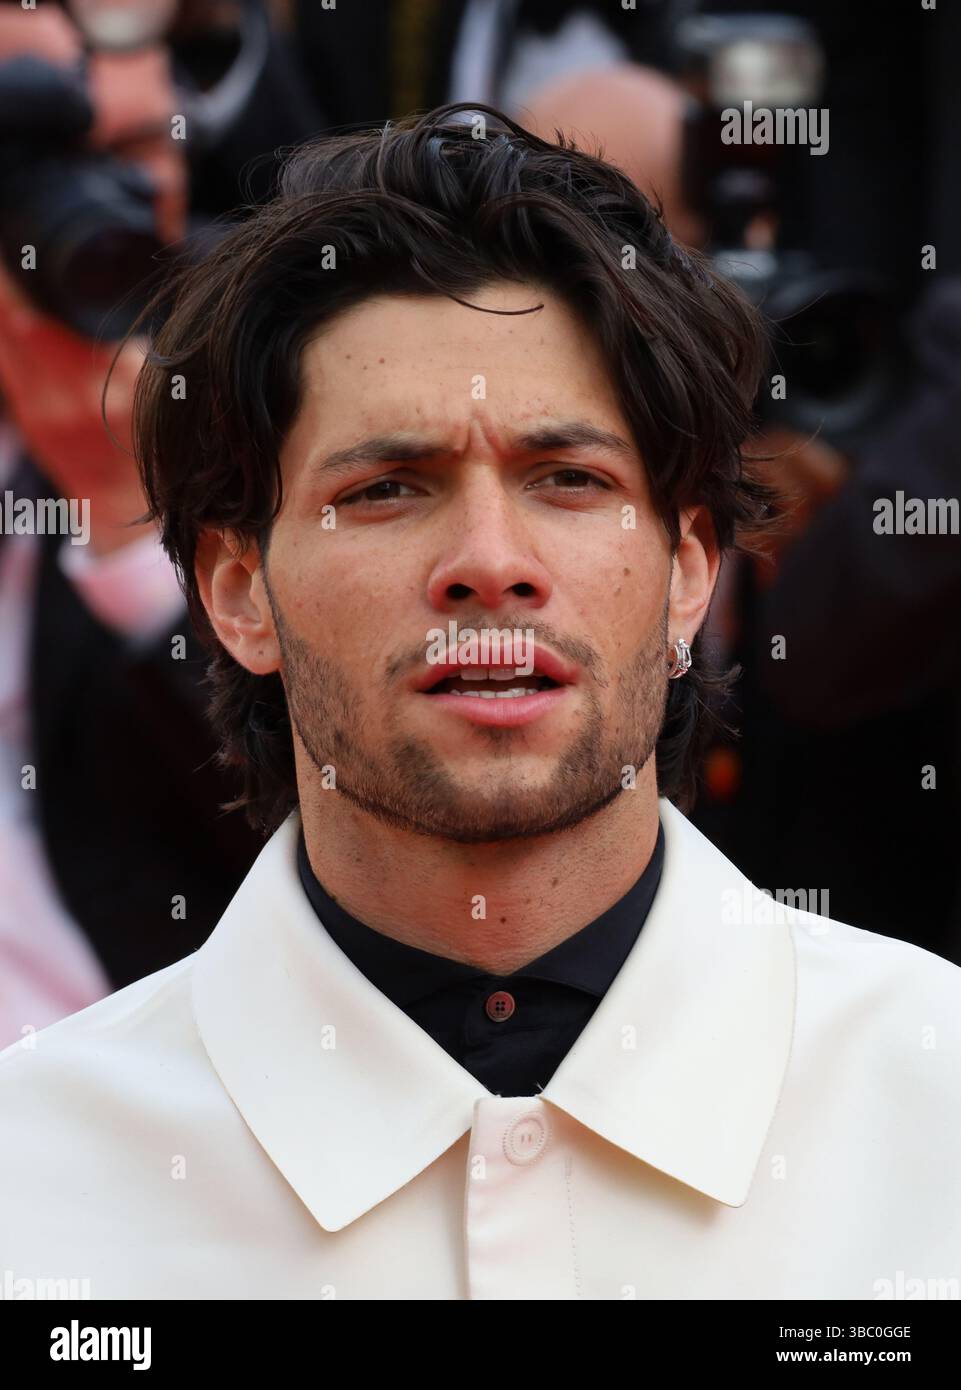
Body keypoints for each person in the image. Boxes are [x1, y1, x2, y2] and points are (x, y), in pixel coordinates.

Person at [1, 103, 960, 1301]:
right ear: (238, 593)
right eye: (390, 486)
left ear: (689, 573)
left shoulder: (938, 1108)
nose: (489, 558)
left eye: (568, 478)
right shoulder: (33, 1183)